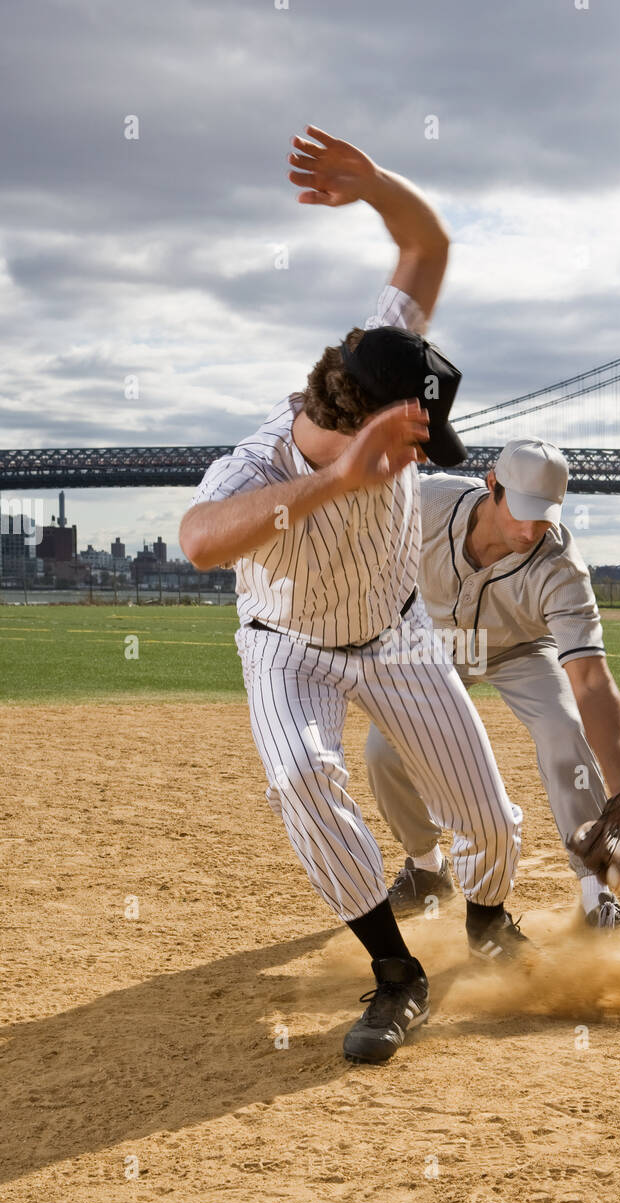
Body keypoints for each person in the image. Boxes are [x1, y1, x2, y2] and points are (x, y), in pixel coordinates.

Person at [179, 128, 523, 1066]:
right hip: (287, 646)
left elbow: (427, 248)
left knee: (488, 819)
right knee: (301, 779)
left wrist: (377, 185)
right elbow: (201, 542)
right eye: (412, 445)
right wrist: (338, 484)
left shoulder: (383, 358)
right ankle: (396, 975)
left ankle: (490, 925)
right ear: (357, 422)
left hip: (397, 634)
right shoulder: (255, 465)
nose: (424, 458)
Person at [366, 440, 620, 931]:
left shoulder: (560, 565)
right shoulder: (424, 503)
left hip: (520, 649)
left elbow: (589, 679)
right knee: (383, 751)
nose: (529, 530)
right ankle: (426, 868)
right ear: (491, 486)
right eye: (520, 512)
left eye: (543, 517)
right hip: (434, 648)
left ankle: (596, 899)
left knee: (565, 729)